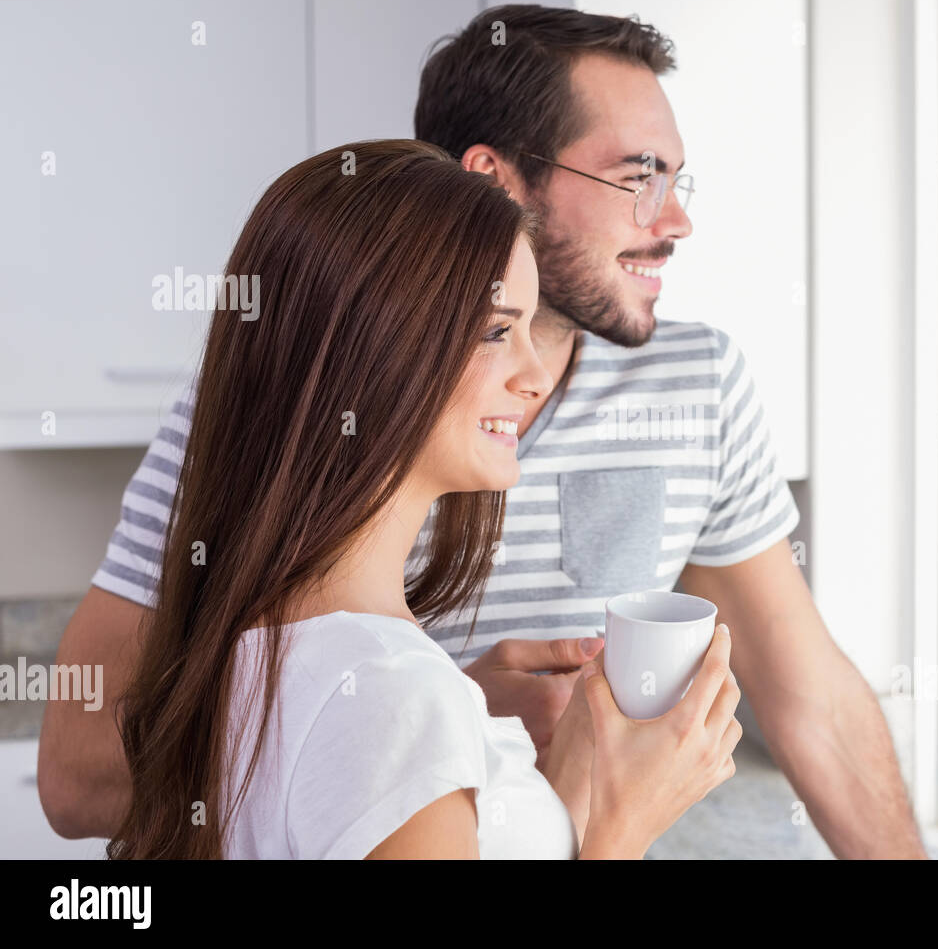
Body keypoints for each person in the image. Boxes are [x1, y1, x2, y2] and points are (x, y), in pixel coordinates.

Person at [40, 5, 925, 858]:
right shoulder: (281, 404)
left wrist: (472, 755)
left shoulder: (698, 388)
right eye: (635, 175)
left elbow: (812, 705)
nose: (675, 217)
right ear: (490, 180)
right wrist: (437, 737)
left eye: (676, 179)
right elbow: (78, 779)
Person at [105, 140, 741, 859]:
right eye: (497, 330)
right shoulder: (390, 692)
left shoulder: (269, 645)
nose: (534, 375)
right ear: (367, 354)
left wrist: (565, 783)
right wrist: (631, 820)